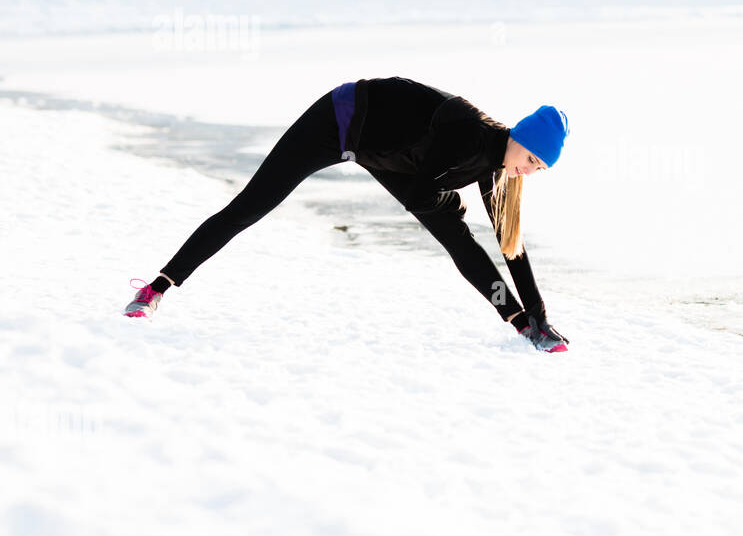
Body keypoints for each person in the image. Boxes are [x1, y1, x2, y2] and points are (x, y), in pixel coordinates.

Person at [122, 76, 571, 353]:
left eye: (540, 167)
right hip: (342, 119)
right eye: (532, 157)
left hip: (391, 155)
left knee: (457, 239)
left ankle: (520, 325)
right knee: (251, 206)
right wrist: (452, 204)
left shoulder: (498, 169)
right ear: (521, 136)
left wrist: (538, 314)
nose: (530, 170)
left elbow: (512, 247)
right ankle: (157, 288)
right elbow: (420, 192)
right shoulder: (468, 133)